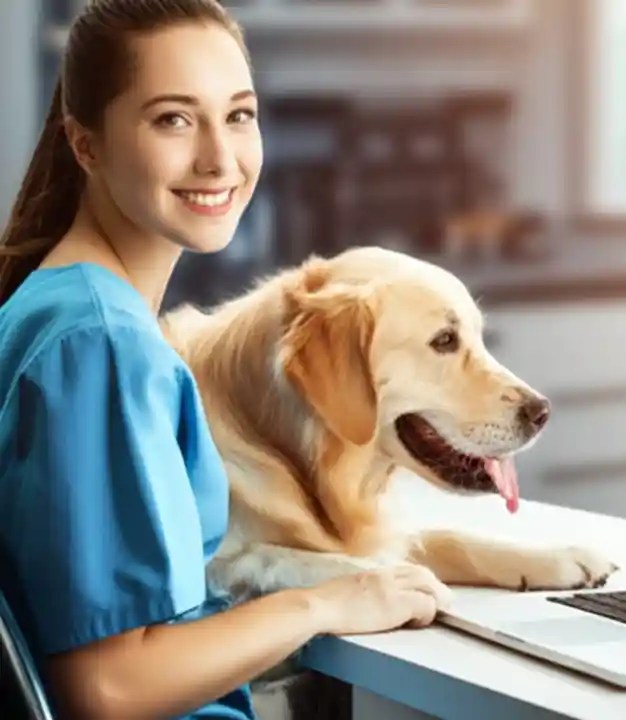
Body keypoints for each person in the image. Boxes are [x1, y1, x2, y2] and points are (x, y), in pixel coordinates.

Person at [0, 2, 441, 718]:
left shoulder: (52, 303)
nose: (219, 158)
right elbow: (106, 688)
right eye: (173, 119)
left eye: (238, 114)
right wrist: (322, 604)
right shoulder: (103, 345)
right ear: (86, 145)